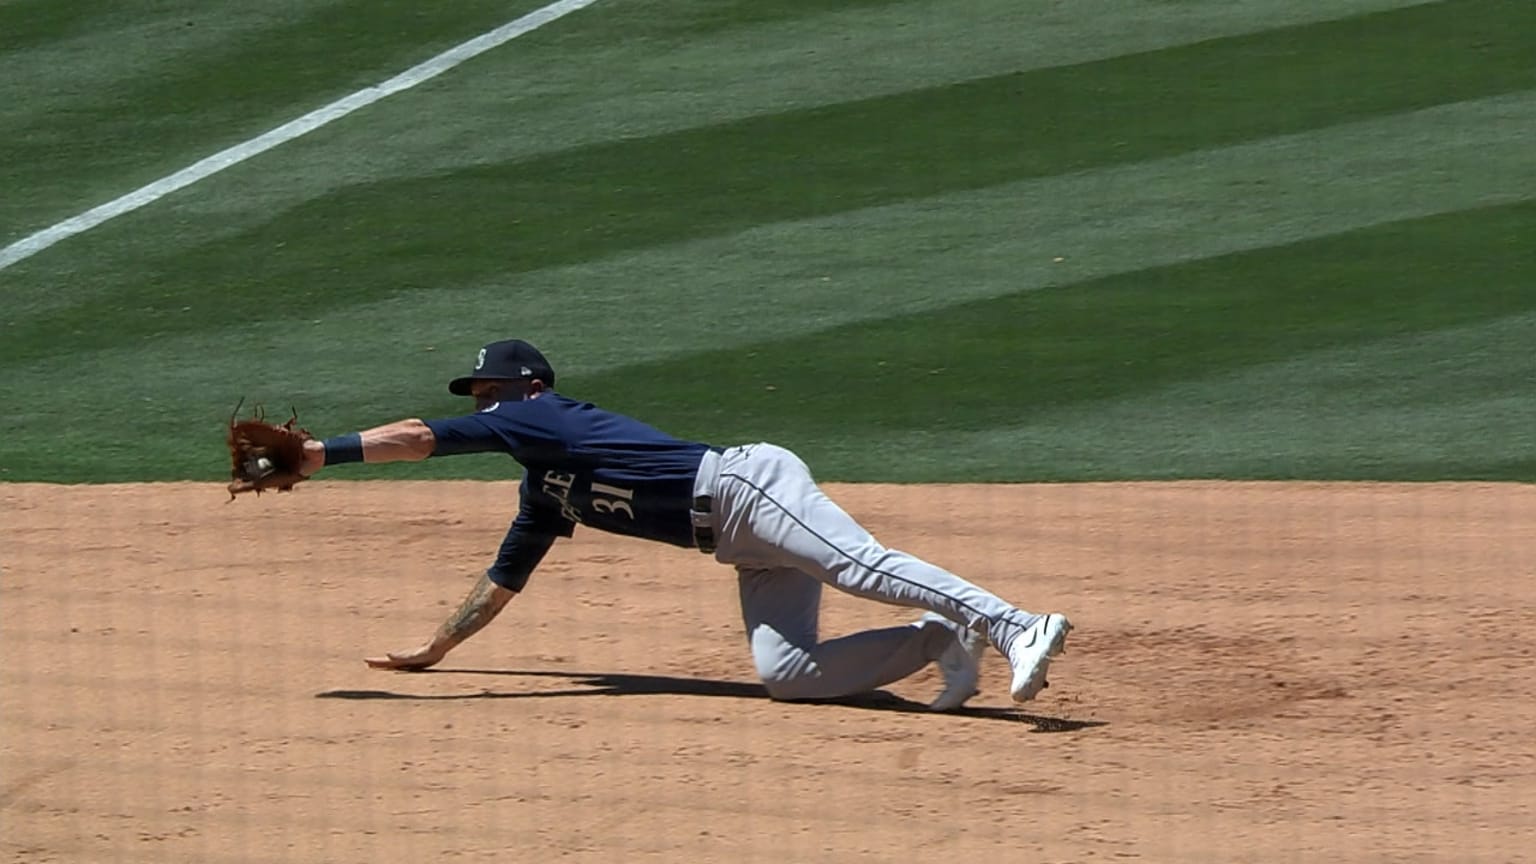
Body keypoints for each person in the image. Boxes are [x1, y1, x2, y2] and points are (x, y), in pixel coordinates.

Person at [298, 338, 1072, 711]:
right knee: (789, 678)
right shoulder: (543, 484)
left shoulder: (542, 415)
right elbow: (505, 579)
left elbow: (418, 437)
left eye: (489, 388)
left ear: (528, 387)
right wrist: (436, 650)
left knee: (858, 567)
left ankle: (1016, 624)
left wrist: (317, 455)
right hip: (739, 545)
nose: (481, 401)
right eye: (477, 392)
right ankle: (939, 637)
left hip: (746, 489)